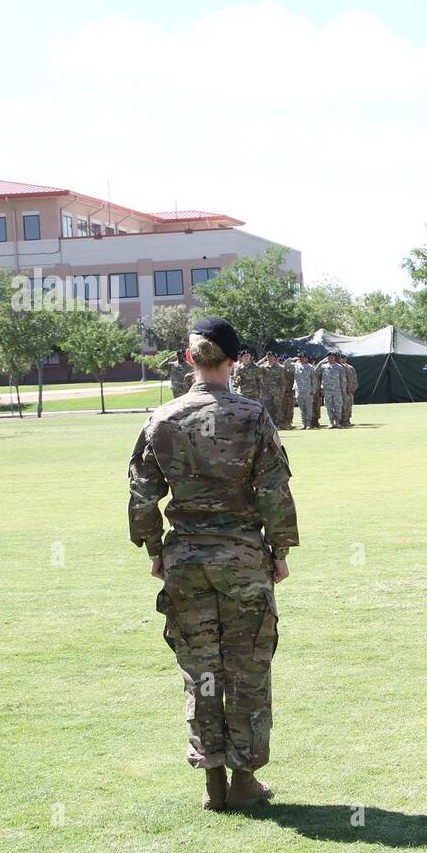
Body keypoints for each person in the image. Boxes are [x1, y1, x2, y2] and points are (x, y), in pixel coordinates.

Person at [128, 316, 299, 811]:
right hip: (243, 558)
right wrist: (280, 550)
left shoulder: (162, 419)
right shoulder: (252, 416)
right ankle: (244, 781)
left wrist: (157, 551)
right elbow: (274, 489)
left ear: (190, 360)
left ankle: (213, 782)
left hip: (187, 560)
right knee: (247, 669)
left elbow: (142, 495)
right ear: (235, 360)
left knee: (201, 669)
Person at [292, 354, 316, 429]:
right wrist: (292, 359)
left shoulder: (310, 367)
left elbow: (314, 380)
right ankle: (303, 423)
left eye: (304, 358)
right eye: (301, 358)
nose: (302, 359)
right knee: (301, 408)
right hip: (299, 390)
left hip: (308, 390)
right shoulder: (296, 366)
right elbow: (286, 366)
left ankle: (308, 423)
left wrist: (313, 390)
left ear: (307, 359)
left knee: (308, 407)